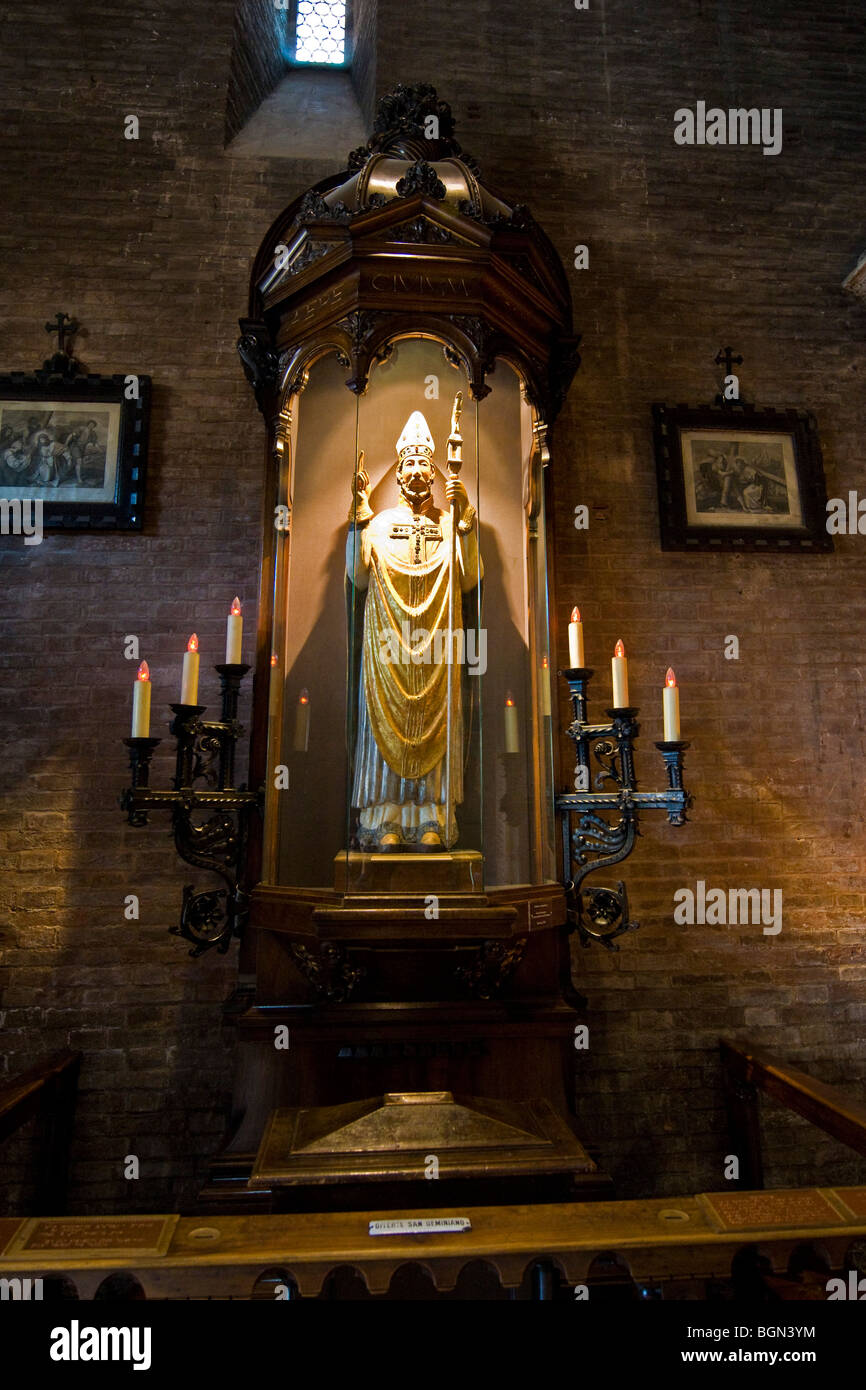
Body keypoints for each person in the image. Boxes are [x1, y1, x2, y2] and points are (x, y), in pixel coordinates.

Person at [346, 406, 481, 852]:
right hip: (388, 650)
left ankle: (432, 820)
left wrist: (465, 524)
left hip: (437, 648)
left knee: (435, 721)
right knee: (386, 722)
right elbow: (360, 576)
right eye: (411, 464)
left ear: (434, 473)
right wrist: (360, 519)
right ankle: (383, 818)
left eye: (426, 463)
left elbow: (467, 579)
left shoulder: (447, 525)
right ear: (401, 473)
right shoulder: (382, 525)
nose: (420, 471)